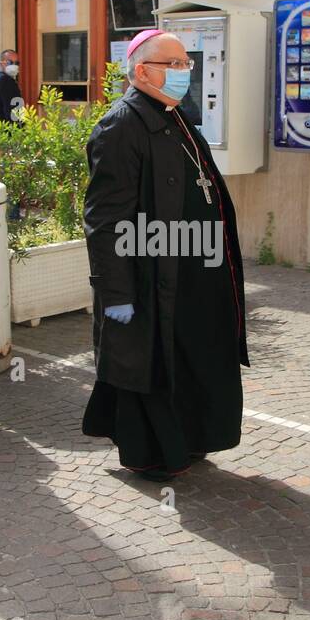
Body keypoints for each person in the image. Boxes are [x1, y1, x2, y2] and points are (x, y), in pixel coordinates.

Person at [81, 29, 249, 482]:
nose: (184, 72)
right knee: (151, 366)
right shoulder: (121, 125)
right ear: (141, 72)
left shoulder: (178, 119)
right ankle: (151, 455)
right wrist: (115, 292)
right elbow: (104, 219)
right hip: (149, 272)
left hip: (192, 267)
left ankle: (190, 440)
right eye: (172, 64)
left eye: (185, 64)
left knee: (194, 357)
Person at [0, 49, 23, 124]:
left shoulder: (1, 79)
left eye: (16, 63)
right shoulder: (5, 80)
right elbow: (11, 109)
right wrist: (18, 129)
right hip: (9, 130)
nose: (14, 65)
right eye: (10, 62)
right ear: (1, 63)